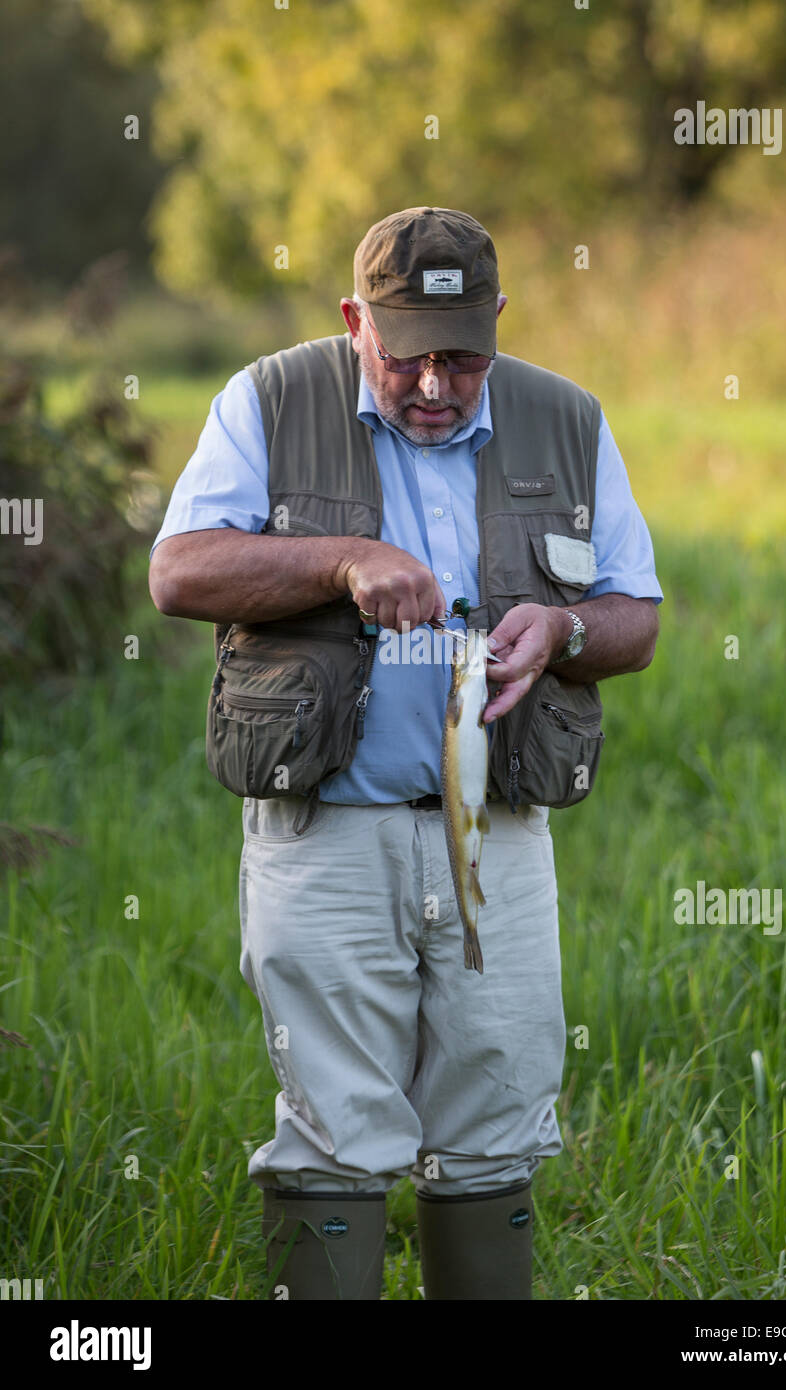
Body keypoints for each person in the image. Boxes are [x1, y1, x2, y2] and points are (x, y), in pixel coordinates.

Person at [148, 205, 663, 1301]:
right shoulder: (267, 400)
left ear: (498, 327)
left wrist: (565, 630)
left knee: (493, 1129)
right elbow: (180, 571)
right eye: (406, 356)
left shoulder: (567, 419)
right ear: (351, 319)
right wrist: (342, 562)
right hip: (322, 833)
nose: (434, 385)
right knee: (334, 1132)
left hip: (499, 840)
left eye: (462, 358)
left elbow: (637, 617)